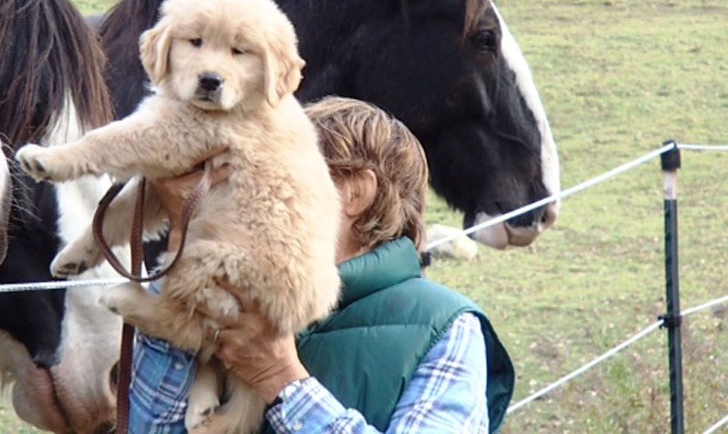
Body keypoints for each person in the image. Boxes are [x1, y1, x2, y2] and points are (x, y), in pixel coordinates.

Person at [129, 96, 515, 434]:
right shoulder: (236, 291)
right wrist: (185, 252)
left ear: (355, 192)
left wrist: (281, 380)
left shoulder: (448, 328)